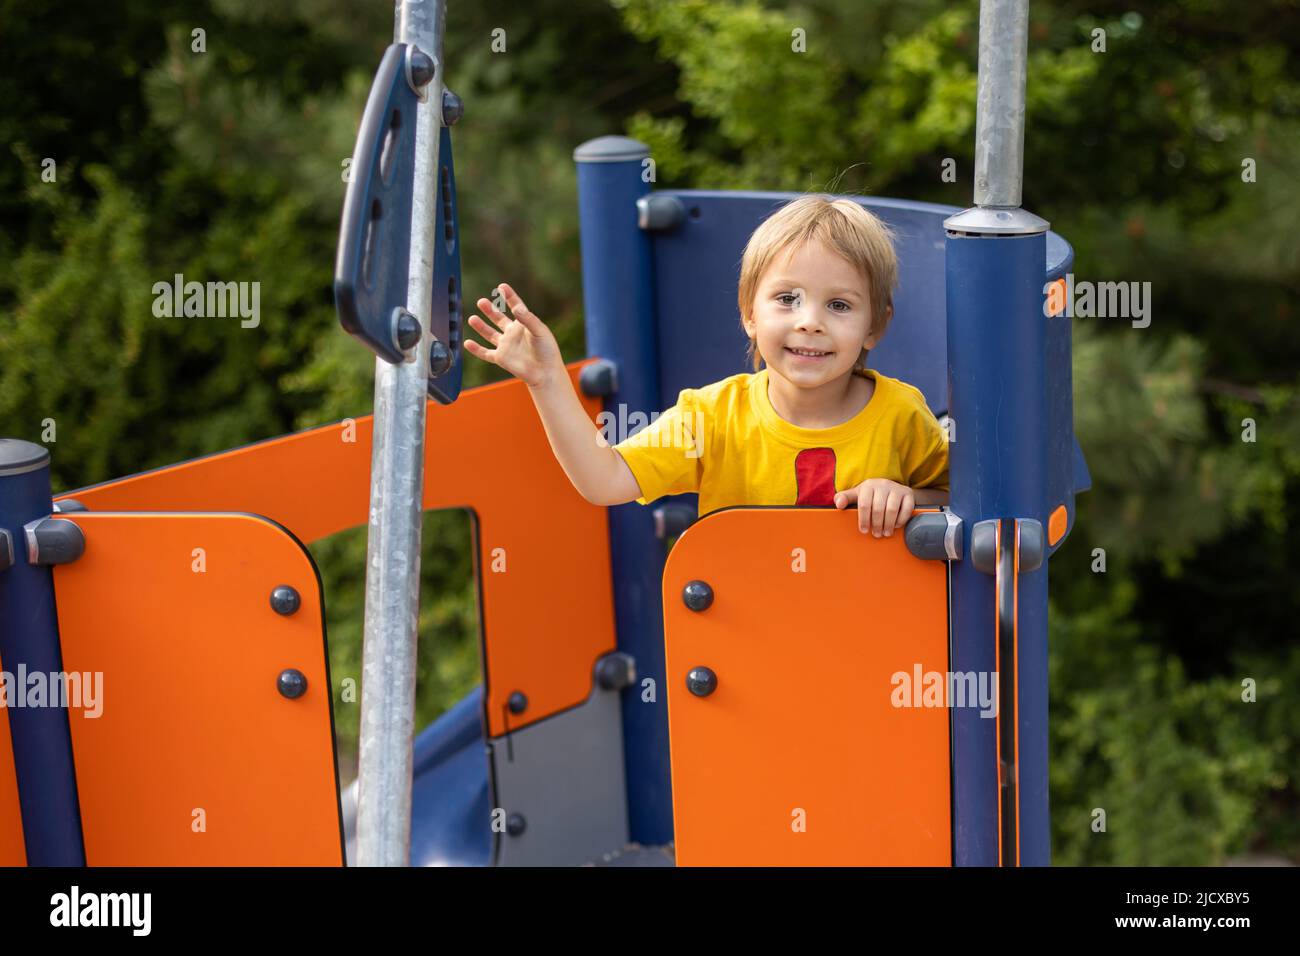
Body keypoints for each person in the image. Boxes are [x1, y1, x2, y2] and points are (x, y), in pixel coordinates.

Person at [464, 195, 949, 537]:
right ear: (749, 313)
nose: (810, 322)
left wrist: (909, 497)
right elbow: (604, 479)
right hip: (747, 655)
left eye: (839, 306)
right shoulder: (711, 417)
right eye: (787, 298)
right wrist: (547, 380)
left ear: (875, 327)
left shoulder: (901, 414)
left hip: (867, 651)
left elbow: (963, 503)